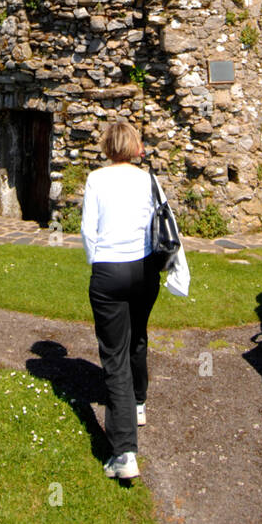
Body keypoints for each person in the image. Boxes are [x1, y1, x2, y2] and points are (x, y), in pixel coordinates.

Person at [80, 120, 162, 481]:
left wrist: (97, 262)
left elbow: (88, 229)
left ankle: (124, 452)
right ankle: (139, 403)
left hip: (109, 270)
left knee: (113, 357)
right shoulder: (148, 180)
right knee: (138, 335)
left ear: (107, 146)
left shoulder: (97, 179)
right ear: (134, 146)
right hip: (144, 269)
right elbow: (155, 223)